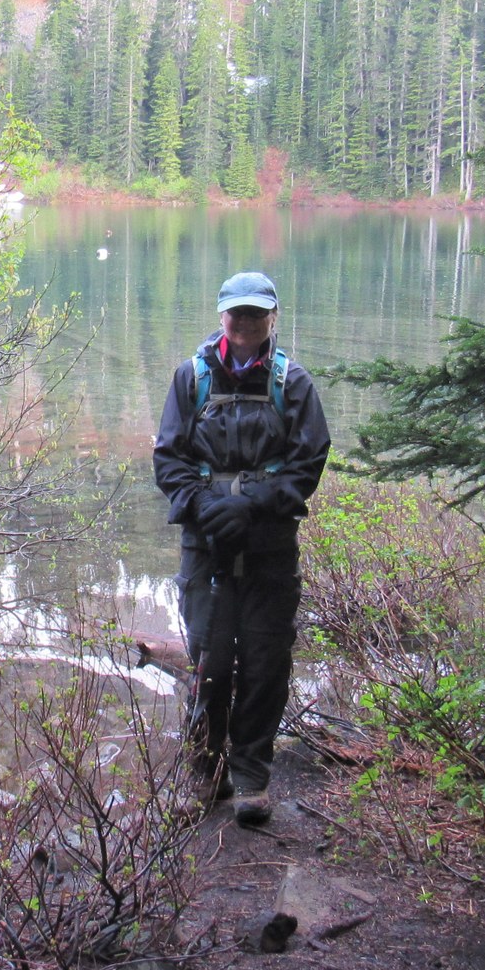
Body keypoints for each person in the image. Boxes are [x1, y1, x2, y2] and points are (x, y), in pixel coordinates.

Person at [152, 271, 331, 825]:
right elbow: (169, 460)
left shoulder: (292, 383)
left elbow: (308, 464)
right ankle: (206, 774)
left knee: (265, 661)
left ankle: (252, 777)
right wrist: (204, 506)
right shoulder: (191, 378)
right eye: (238, 312)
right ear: (222, 315)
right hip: (205, 546)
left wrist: (251, 503)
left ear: (272, 317)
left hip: (269, 547)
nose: (246, 322)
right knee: (208, 659)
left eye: (257, 313)